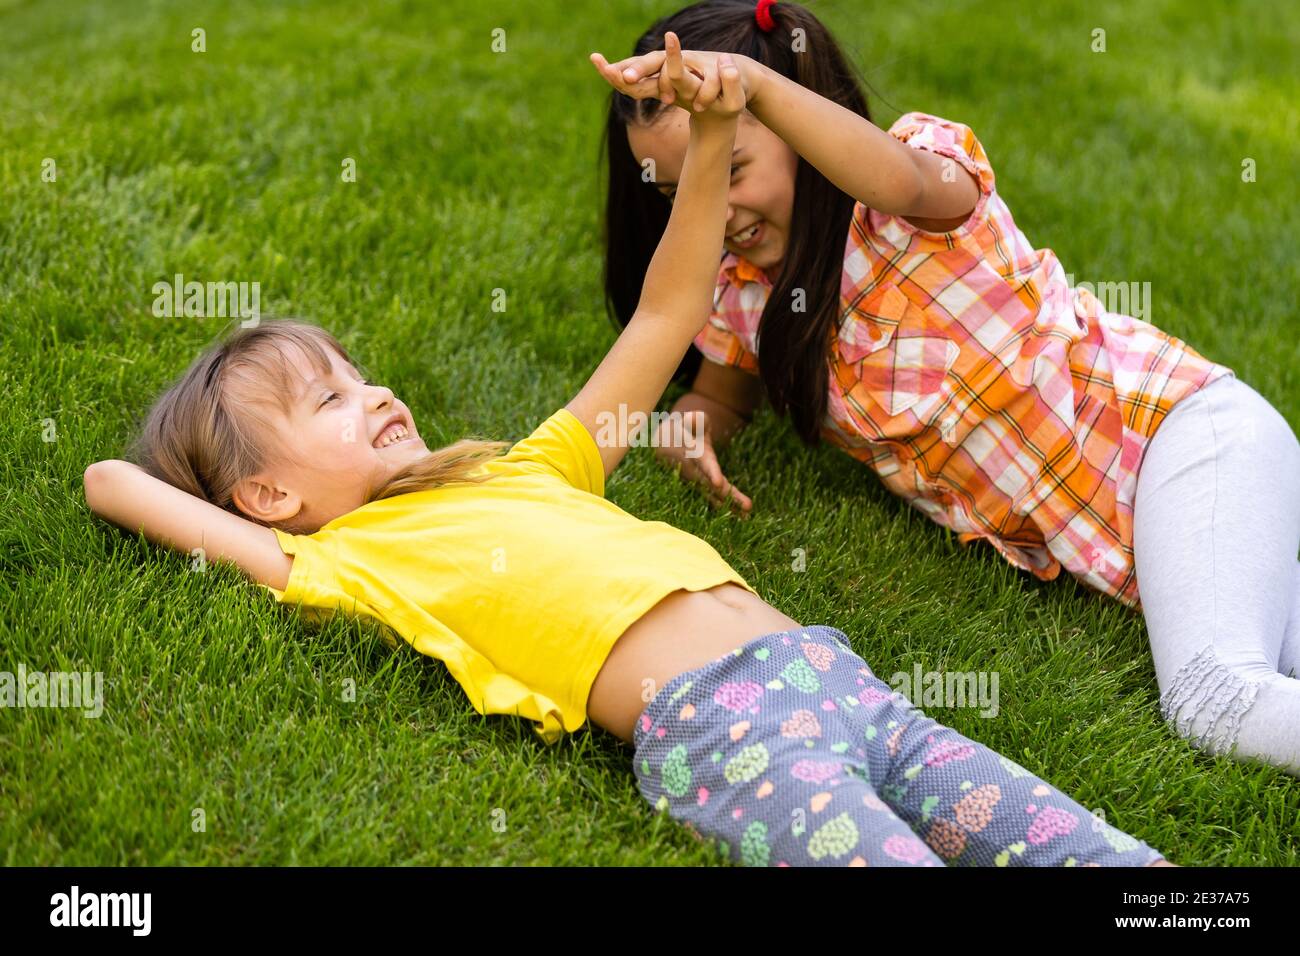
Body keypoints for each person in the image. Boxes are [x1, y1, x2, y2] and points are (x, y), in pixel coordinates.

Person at [84, 49, 1172, 867]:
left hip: (845, 680)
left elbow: (664, 318)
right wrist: (194, 485)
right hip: (725, 729)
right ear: (269, 492)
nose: (373, 392)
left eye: (357, 371)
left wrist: (713, 134)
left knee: (1095, 854)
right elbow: (114, 484)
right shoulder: (352, 566)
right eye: (327, 397)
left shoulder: (532, 466)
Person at [592, 0, 1300, 777]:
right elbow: (721, 400)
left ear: (791, 119)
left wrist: (751, 82)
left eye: (729, 167)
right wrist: (689, 429)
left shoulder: (908, 197)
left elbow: (893, 179)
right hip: (1146, 528)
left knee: (1216, 700)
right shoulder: (742, 294)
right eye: (675, 192)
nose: (713, 212)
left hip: (1176, 439)